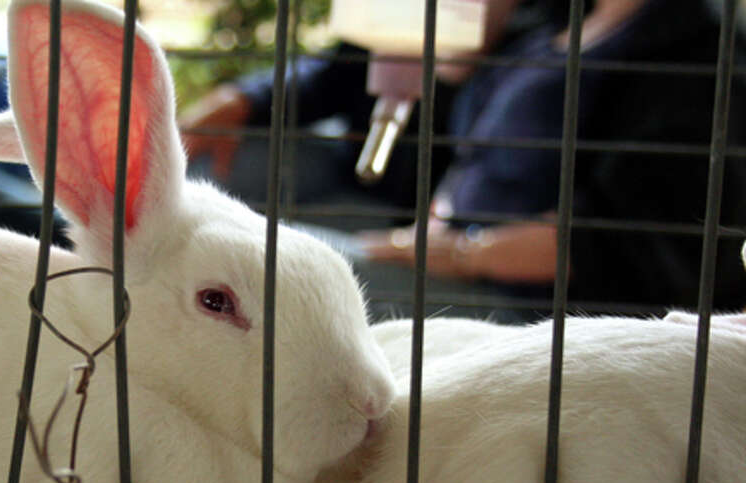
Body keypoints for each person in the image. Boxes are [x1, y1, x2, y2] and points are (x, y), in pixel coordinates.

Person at [182, 0, 746, 312]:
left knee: (268, 268)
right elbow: (357, 67)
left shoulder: (693, 56)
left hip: (518, 296)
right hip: (427, 236)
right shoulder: (547, 21)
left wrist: (457, 253)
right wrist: (241, 100)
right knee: (213, 177)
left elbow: (624, 243)